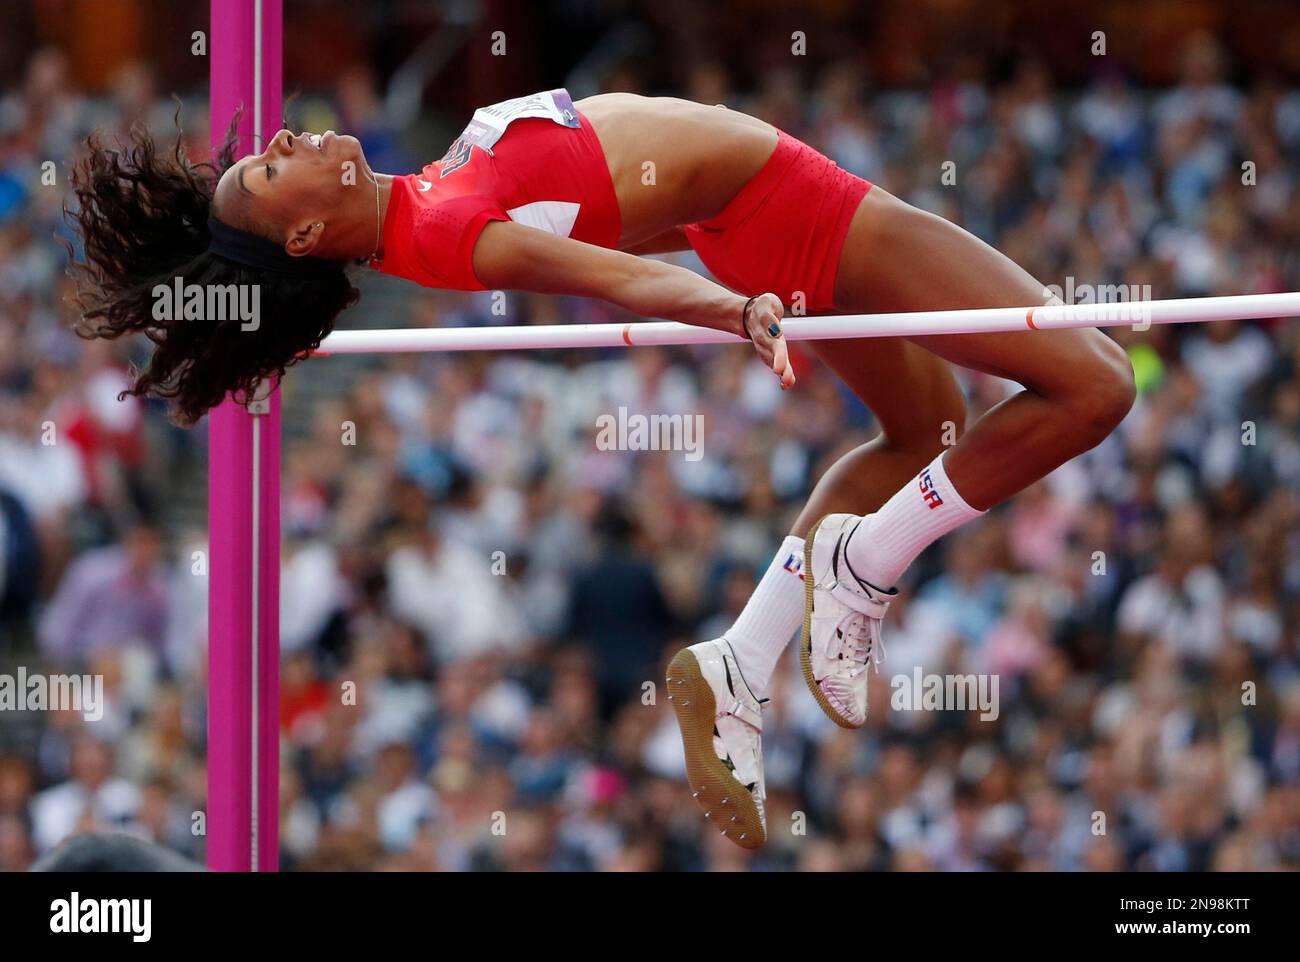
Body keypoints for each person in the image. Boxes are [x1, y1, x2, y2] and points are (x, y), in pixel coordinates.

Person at [69, 88, 1135, 849]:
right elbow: (611, 275)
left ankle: (741, 660)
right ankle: (867, 567)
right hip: (785, 213)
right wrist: (729, 307)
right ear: (304, 226)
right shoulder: (445, 227)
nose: (290, 134)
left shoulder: (423, 196)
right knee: (1096, 382)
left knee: (925, 431)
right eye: (272, 163)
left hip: (748, 218)